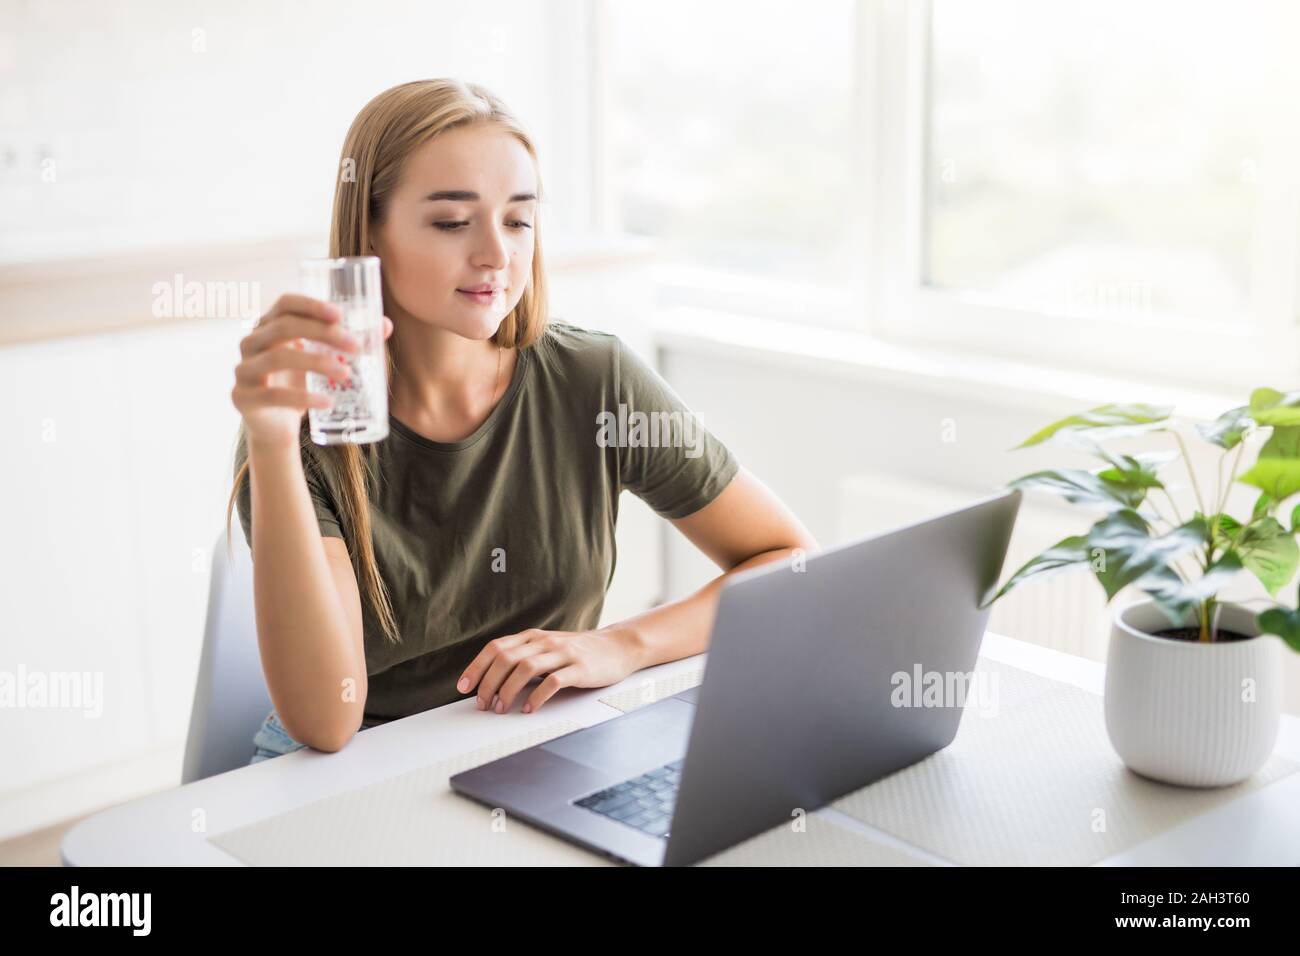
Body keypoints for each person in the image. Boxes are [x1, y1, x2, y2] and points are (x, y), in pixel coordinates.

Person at [227, 78, 818, 764]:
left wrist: (621, 644)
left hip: (535, 745)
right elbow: (326, 724)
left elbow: (790, 560)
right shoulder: (306, 425)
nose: (496, 255)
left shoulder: (594, 380)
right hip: (359, 763)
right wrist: (269, 442)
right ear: (369, 234)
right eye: (452, 222)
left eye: (518, 219)